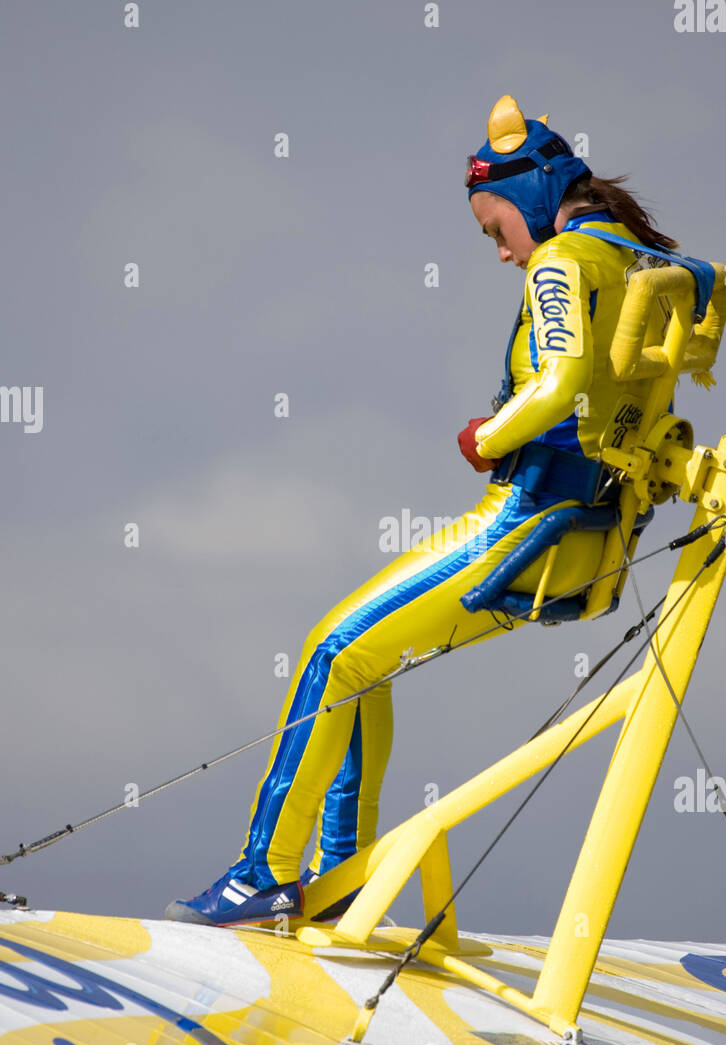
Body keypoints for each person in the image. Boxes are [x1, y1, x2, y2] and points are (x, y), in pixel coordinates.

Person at [165, 94, 681, 928]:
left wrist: (491, 435)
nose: (503, 253)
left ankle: (261, 875)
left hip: (519, 524)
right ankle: (338, 882)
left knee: (332, 650)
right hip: (591, 548)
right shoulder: (647, 270)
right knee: (359, 660)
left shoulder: (565, 263)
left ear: (538, 191)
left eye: (496, 229)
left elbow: (562, 381)